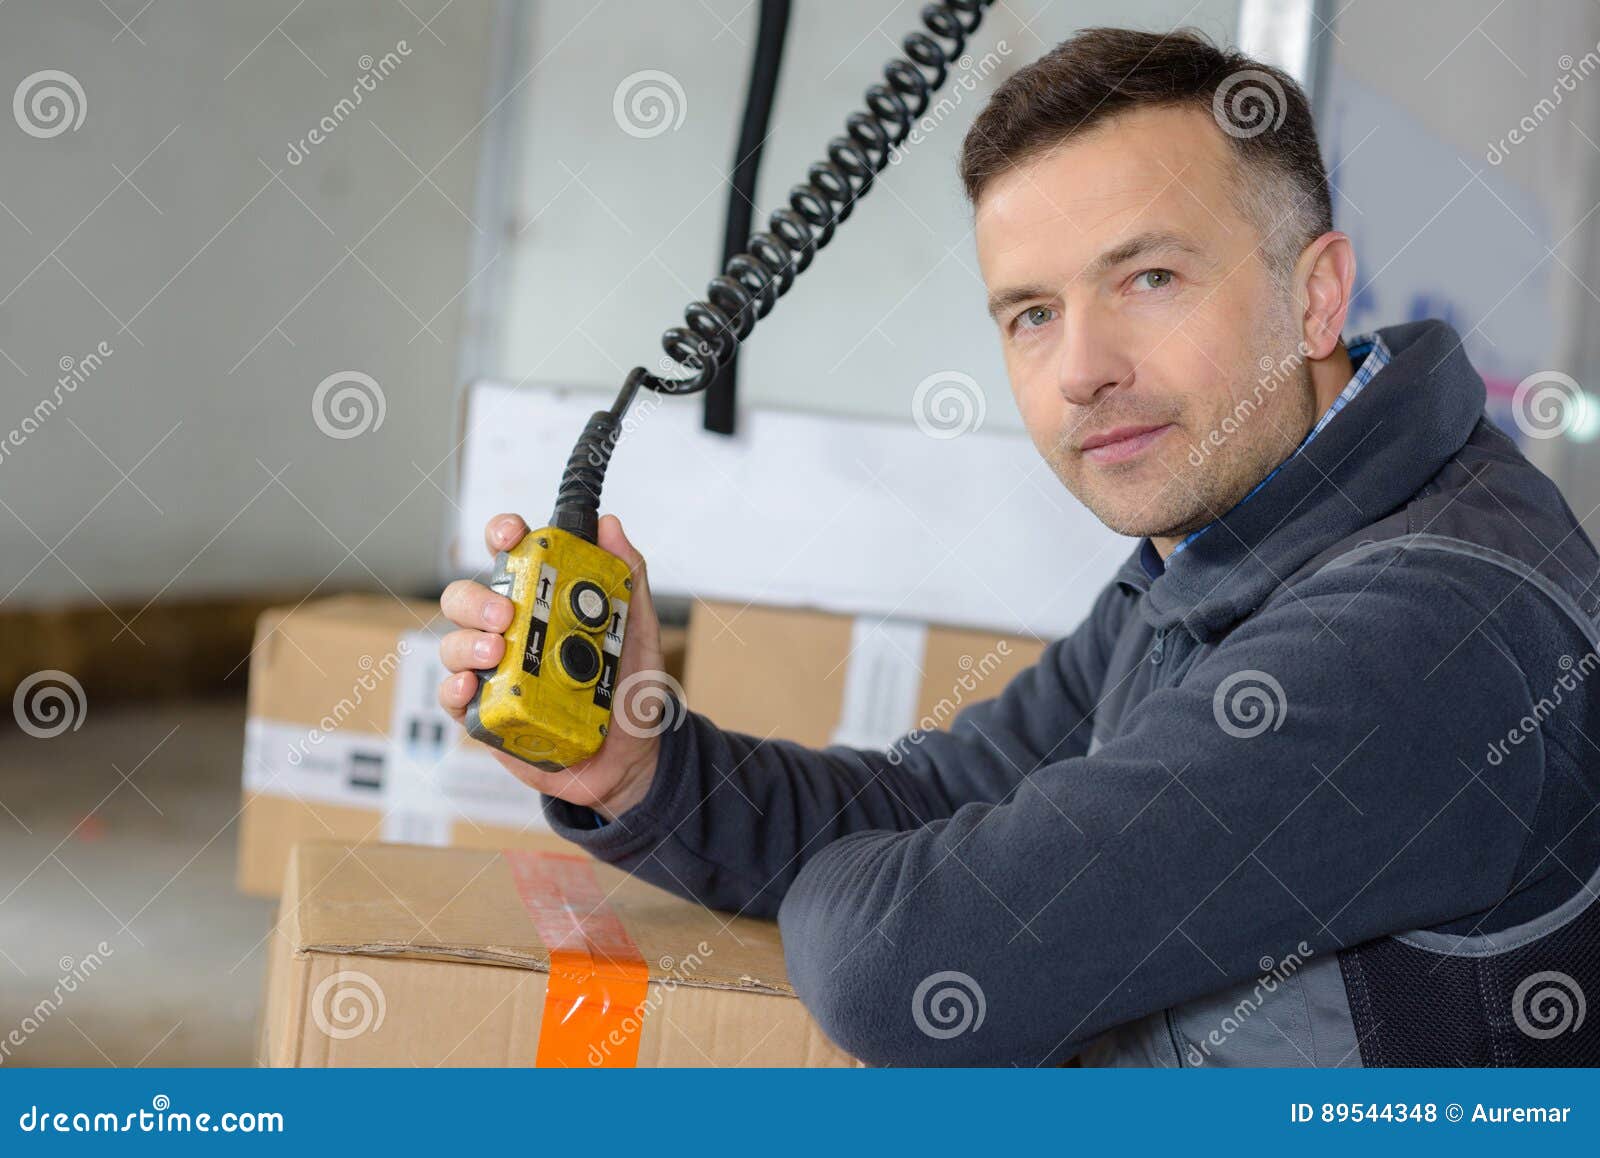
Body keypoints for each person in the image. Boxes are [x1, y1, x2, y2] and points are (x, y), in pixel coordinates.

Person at [437, 27, 1600, 1066]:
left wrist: (951, 889)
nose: (1081, 368)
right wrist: (644, 769)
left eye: (1149, 277)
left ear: (1316, 297)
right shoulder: (1228, 546)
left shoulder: (1428, 629)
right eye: (1031, 314)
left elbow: (902, 968)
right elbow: (926, 798)